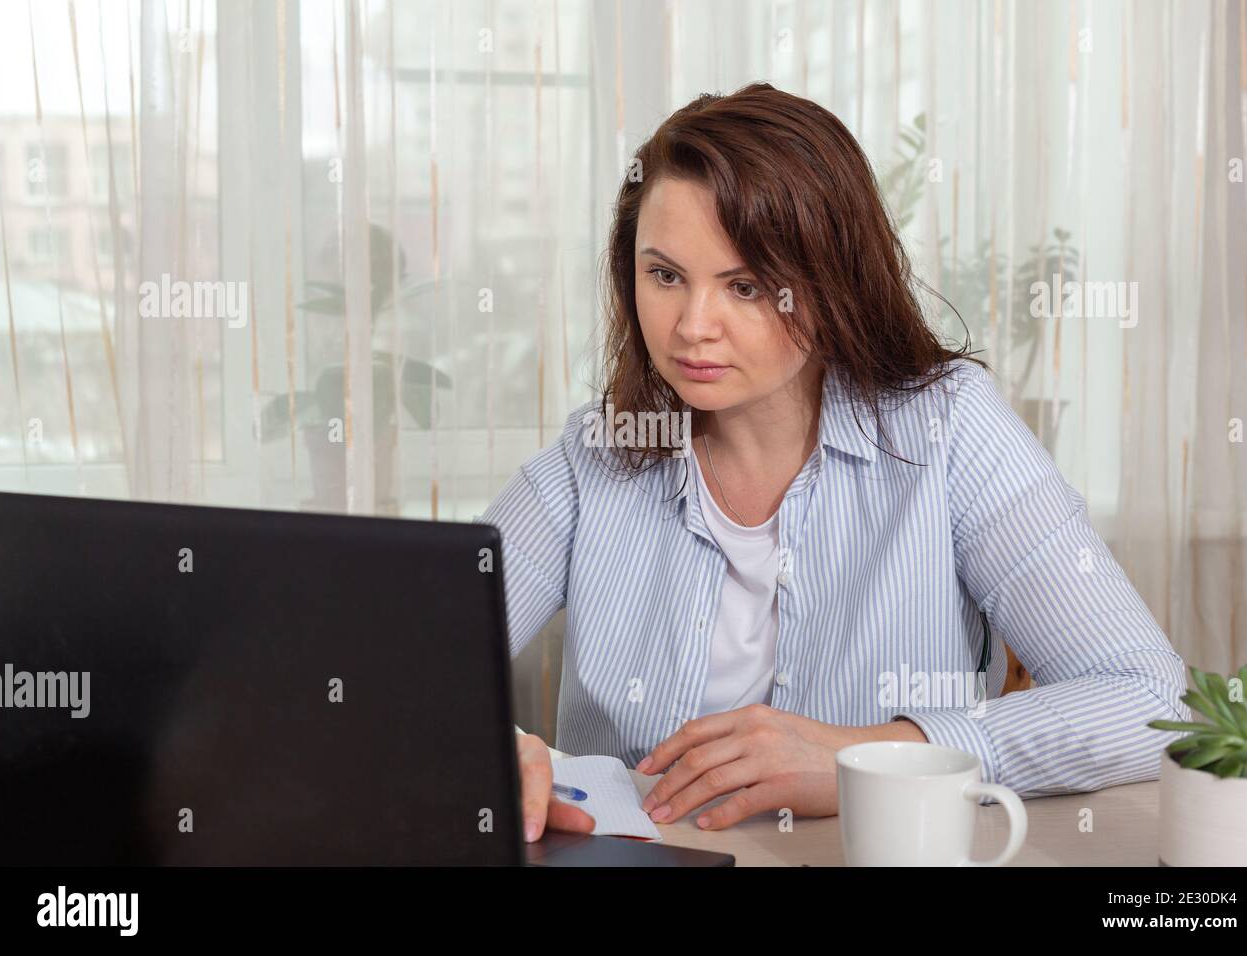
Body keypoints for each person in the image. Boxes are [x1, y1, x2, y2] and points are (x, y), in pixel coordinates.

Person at [481, 82, 1188, 844]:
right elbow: (382, 678)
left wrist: (868, 755)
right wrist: (492, 751)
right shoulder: (597, 454)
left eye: (745, 286)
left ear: (830, 280)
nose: (692, 327)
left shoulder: (949, 430)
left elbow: (1149, 702)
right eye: (665, 275)